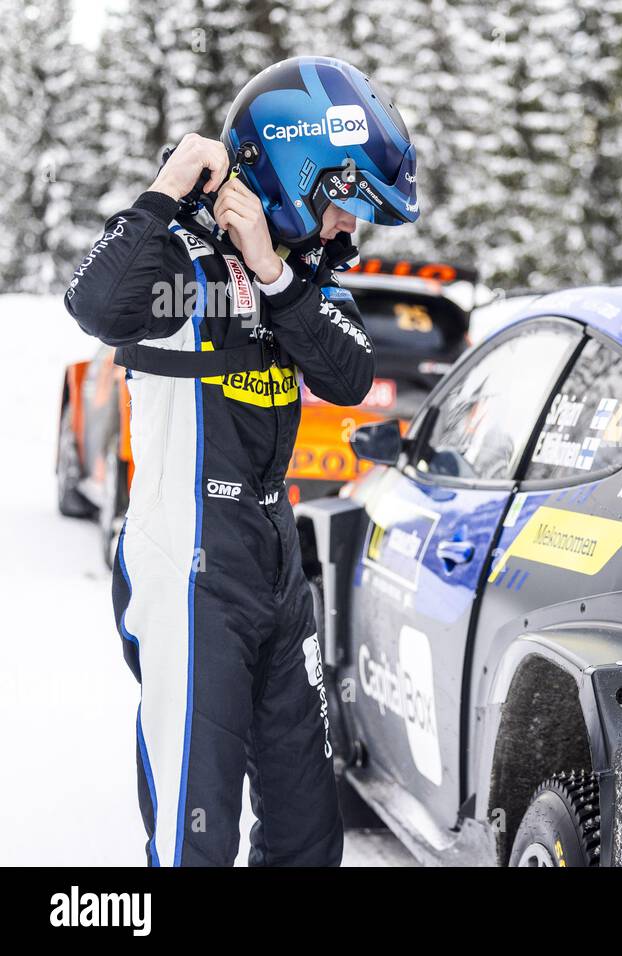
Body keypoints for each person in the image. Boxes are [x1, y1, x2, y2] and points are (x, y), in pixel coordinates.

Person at [64, 56, 419, 866]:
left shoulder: (304, 275)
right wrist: (169, 186)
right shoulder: (179, 263)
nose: (349, 228)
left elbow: (348, 374)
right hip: (189, 568)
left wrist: (272, 271)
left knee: (307, 835)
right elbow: (96, 304)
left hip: (274, 563)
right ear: (298, 171)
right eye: (346, 201)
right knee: (197, 837)